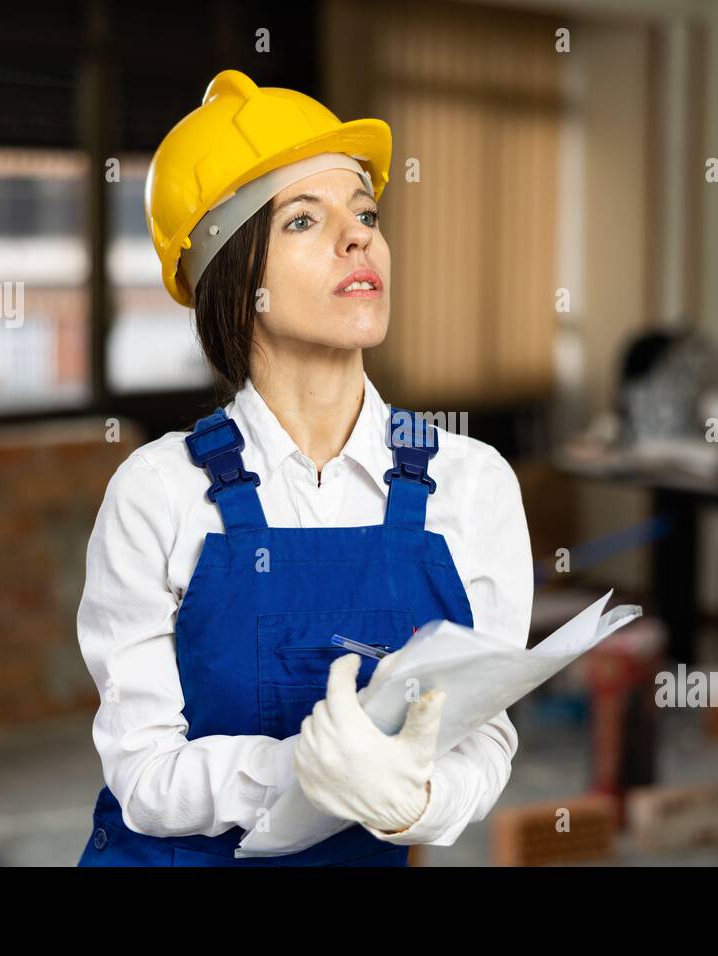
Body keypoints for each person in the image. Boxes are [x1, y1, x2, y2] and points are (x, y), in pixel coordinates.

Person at [75, 69, 533, 866]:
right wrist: (310, 771)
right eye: (301, 220)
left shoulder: (473, 484)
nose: (357, 237)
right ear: (233, 273)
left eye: (365, 212)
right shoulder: (159, 492)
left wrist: (414, 799)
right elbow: (143, 775)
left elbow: (483, 737)